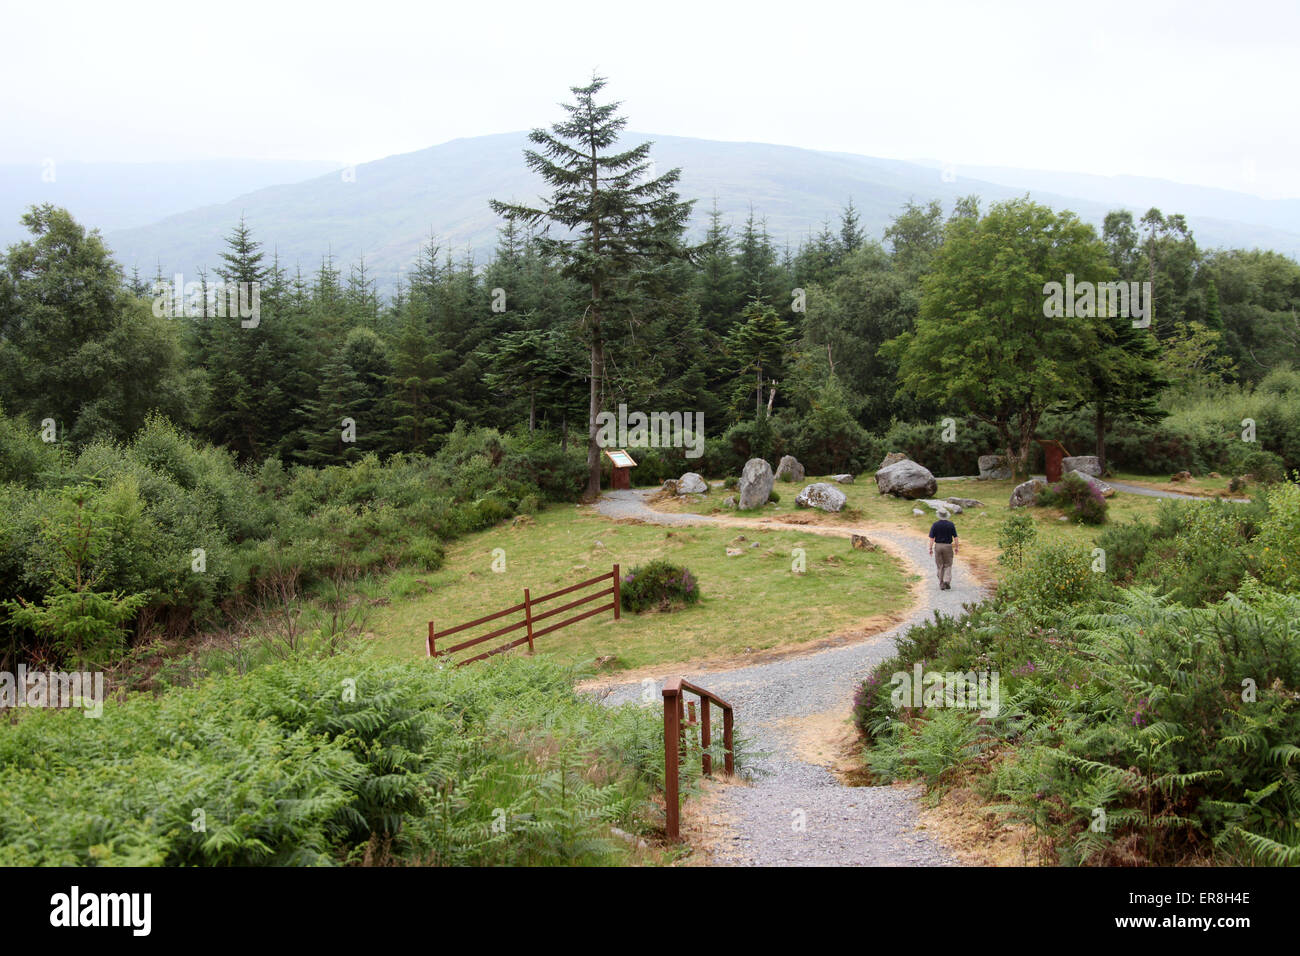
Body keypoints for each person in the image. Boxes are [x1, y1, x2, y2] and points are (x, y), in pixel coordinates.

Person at [928, 508, 959, 590]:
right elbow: (955, 537)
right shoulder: (951, 524)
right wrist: (956, 547)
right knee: (948, 564)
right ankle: (947, 580)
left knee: (940, 565)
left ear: (939, 515)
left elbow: (932, 538)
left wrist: (930, 548)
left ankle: (941, 583)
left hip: (938, 546)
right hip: (948, 546)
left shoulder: (935, 525)